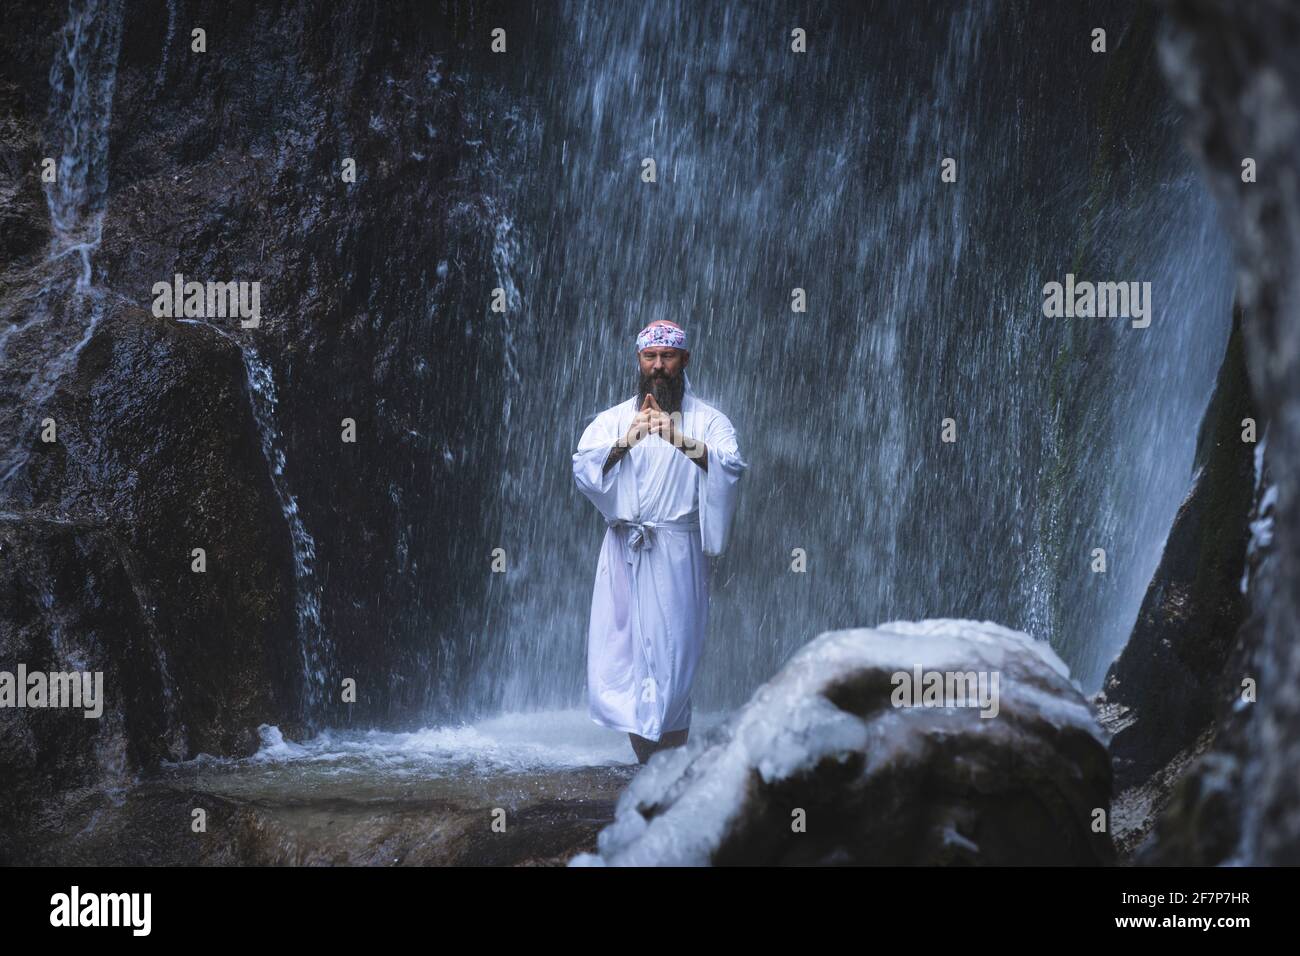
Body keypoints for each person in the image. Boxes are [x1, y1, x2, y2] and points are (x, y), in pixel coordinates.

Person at [571, 320, 747, 764]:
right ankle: (650, 769)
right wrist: (629, 440)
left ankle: (665, 769)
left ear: (684, 360)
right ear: (639, 361)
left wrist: (677, 438)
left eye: (667, 357)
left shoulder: (710, 420)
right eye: (650, 357)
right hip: (624, 550)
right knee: (625, 661)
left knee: (672, 663)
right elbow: (585, 469)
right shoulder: (612, 420)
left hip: (675, 552)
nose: (658, 366)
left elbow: (730, 468)